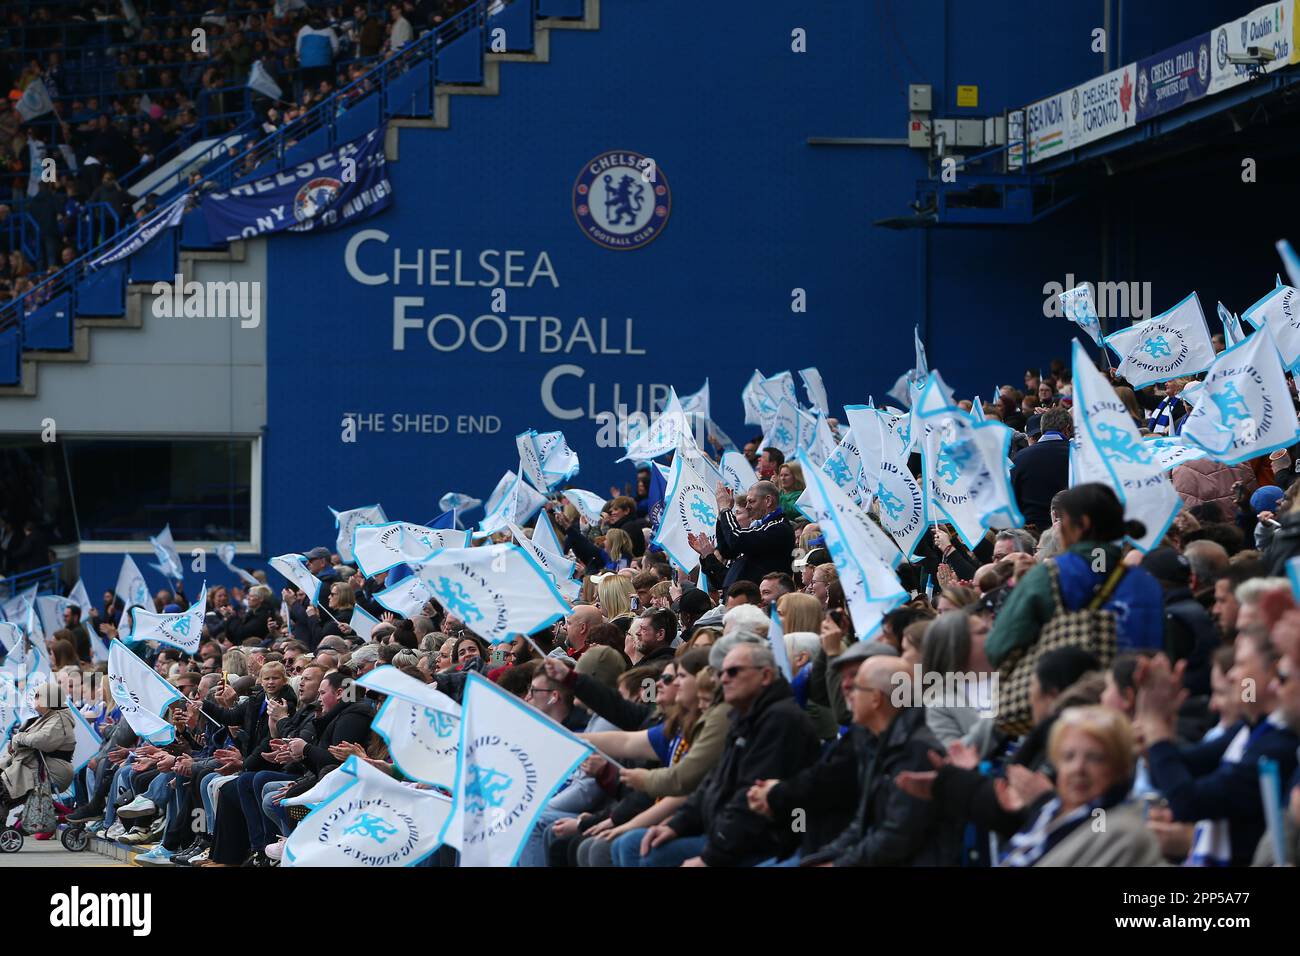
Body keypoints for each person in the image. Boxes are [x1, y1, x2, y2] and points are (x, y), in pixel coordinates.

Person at [610, 639, 819, 866]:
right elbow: (711, 785)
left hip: (762, 841)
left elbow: (747, 802)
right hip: (722, 830)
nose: (724, 678)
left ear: (766, 676)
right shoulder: (743, 716)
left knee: (644, 851)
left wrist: (710, 858)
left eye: (733, 671)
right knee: (630, 843)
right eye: (722, 673)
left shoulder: (779, 721)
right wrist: (675, 826)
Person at [986, 483, 1164, 671]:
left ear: (1083, 525)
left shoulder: (1049, 575)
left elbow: (998, 647)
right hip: (1136, 693)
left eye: (1064, 522)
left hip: (1069, 693)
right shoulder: (1147, 581)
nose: (1058, 531)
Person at [1000, 706, 1164, 866]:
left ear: (1121, 767)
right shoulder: (1050, 810)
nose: (1078, 769)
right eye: (1069, 757)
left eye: (1094, 758)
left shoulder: (1120, 832)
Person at [0, 680, 77, 812]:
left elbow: (43, 740)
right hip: (34, 767)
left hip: (51, 771)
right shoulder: (47, 717)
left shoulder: (60, 718)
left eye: (38, 696)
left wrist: (18, 738)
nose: (34, 699)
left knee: (2, 790)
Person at [1009, 408, 1070, 531]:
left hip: (1033, 537)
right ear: (1068, 429)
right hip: (1072, 532)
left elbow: (1011, 501)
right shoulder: (1079, 455)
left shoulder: (1019, 458)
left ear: (1042, 429)